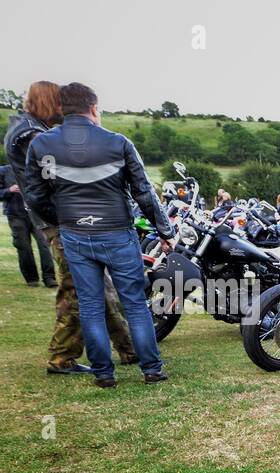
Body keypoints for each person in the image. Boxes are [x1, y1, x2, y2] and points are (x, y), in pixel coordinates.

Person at [25, 82, 175, 388]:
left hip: (75, 234)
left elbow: (36, 197)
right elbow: (144, 193)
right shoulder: (118, 142)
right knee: (134, 302)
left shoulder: (41, 146)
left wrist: (64, 219)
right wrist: (164, 231)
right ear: (94, 108)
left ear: (63, 109)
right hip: (118, 232)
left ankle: (104, 373)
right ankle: (152, 369)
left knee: (90, 304)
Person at [5, 80, 138, 374]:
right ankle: (63, 356)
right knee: (77, 287)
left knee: (97, 285)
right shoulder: (33, 136)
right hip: (62, 223)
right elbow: (52, 187)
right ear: (51, 103)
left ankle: (129, 348)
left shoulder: (28, 130)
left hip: (62, 221)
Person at [0, 162, 56, 287]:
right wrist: (8, 190)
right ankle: (31, 279)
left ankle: (49, 278)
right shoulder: (3, 171)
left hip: (37, 214)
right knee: (23, 247)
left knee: (44, 245)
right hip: (16, 215)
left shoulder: (34, 168)